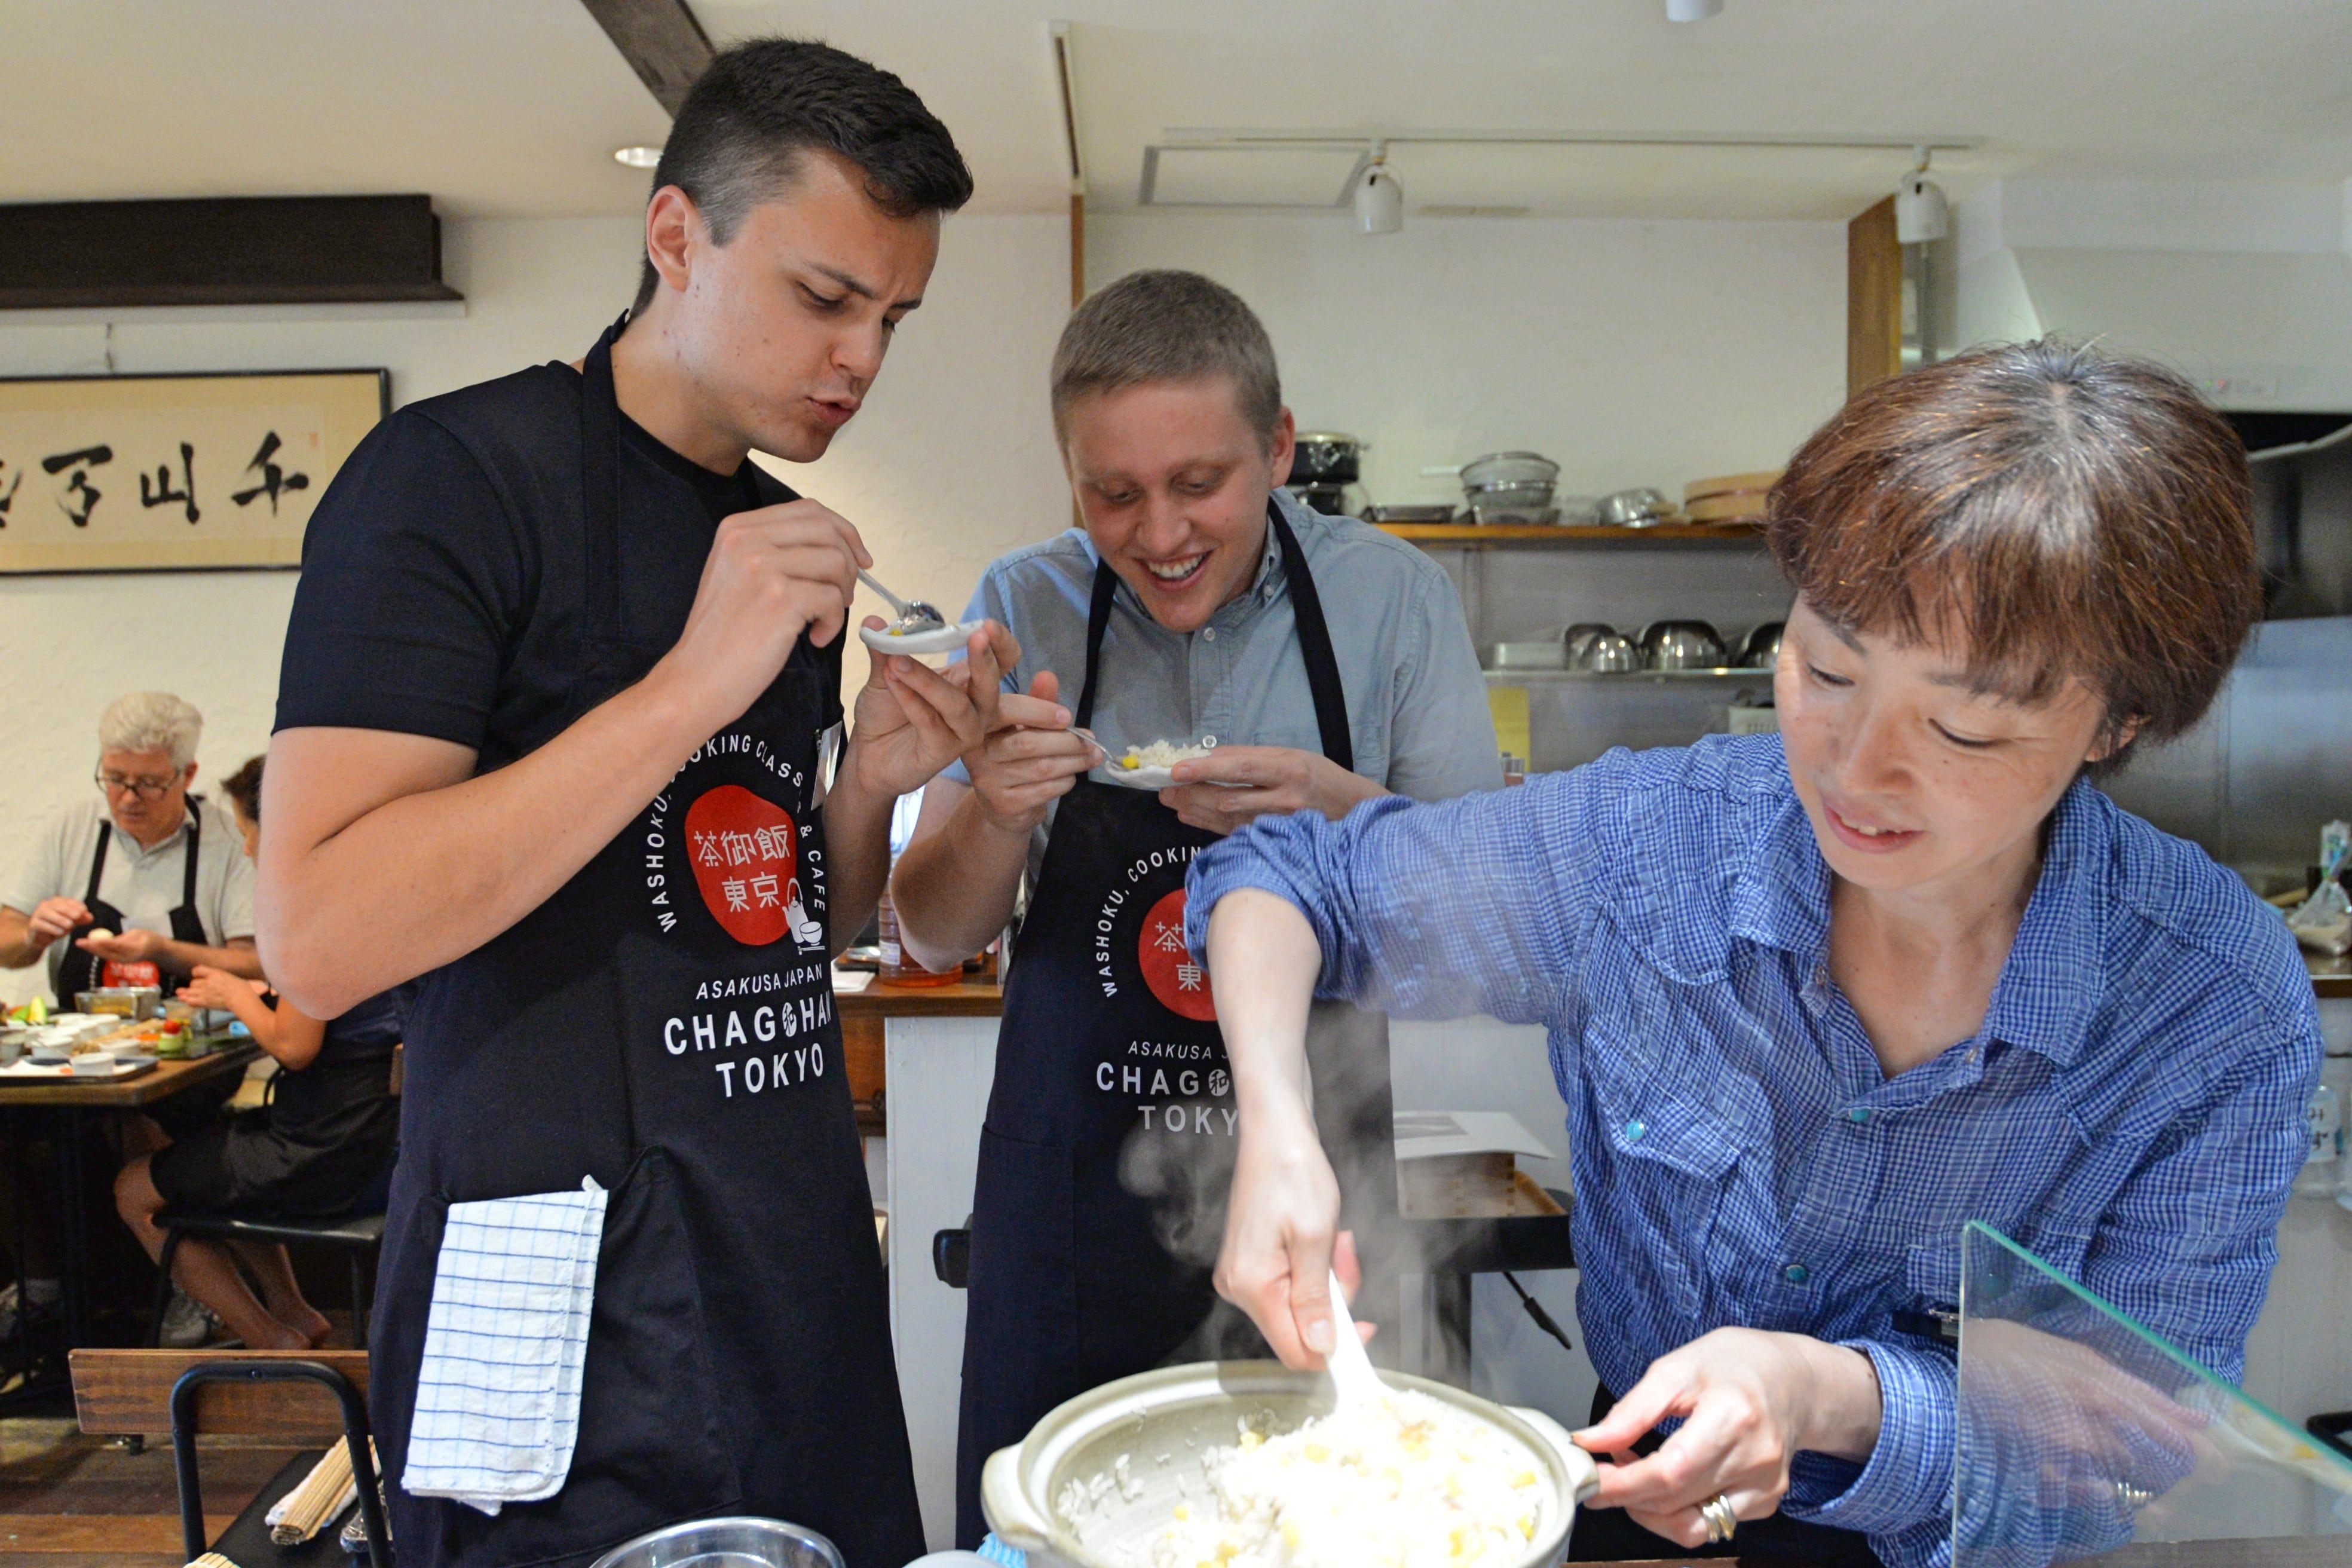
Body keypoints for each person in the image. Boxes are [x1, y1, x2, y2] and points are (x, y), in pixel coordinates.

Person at [1183, 341, 2318, 1568]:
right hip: (1654, 1517)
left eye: (1963, 725)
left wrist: (1824, 1392)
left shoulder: (2214, 1001)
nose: (1856, 765)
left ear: (2121, 720)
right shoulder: (1649, 845)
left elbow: (2129, 1451)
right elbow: (1289, 878)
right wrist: (1280, 1130)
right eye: (1827, 666)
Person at [257, 40, 998, 1568]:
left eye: (892, 317)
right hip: (543, 1275)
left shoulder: (779, 534)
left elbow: (772, 915)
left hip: (783, 1252)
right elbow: (319, 939)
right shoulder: (449, 480)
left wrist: (865, 783)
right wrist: (682, 690)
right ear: (676, 236)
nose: (859, 356)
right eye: (822, 297)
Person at [885, 269, 1502, 1546]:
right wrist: (997, 808)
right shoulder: (1025, 604)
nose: (1158, 531)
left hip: (1321, 1196)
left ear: (1277, 450)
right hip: (1070, 1212)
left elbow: (1488, 923)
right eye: (1113, 493)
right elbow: (934, 934)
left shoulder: (1393, 605)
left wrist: (1342, 808)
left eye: (1199, 484)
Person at [113, 755, 400, 1352]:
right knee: (212, 1143)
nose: (245, 849)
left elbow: (296, 1047)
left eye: (248, 829)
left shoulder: (312, 920)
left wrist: (237, 994)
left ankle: (272, 1340)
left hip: (322, 1156)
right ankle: (296, 1313)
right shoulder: (369, 902)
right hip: (373, 1145)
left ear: (283, 829)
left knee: (134, 1189)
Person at [0, 691, 262, 997]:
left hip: (195, 1036)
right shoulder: (73, 828)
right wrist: (32, 936)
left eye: (148, 784)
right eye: (114, 779)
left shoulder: (230, 839)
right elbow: (7, 938)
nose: (128, 798)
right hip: (82, 1038)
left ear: (188, 775)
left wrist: (163, 951)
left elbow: (256, 965)